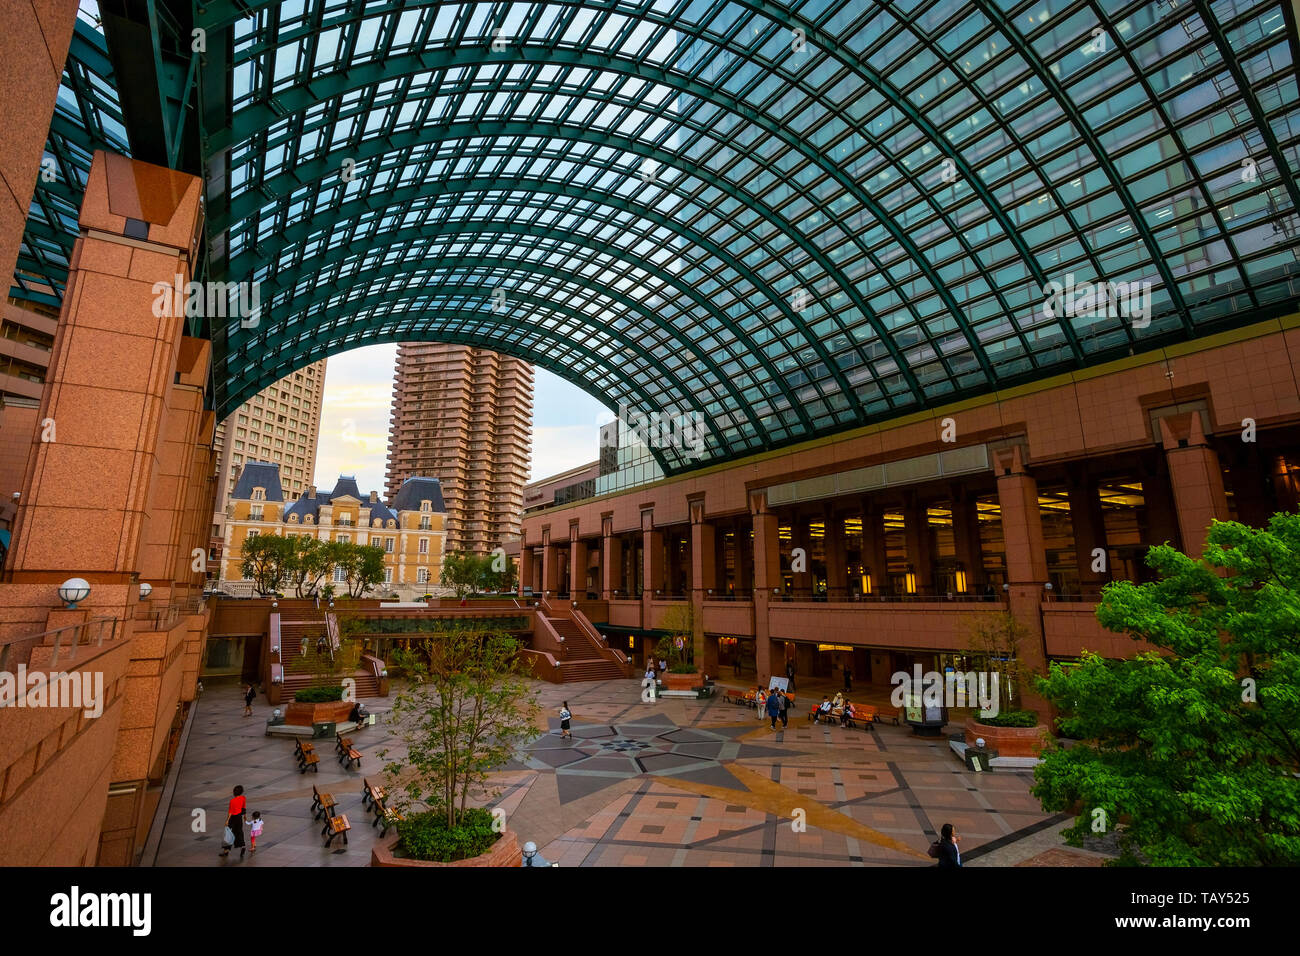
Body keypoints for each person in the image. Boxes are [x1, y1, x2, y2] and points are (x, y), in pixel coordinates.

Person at [220, 785, 248, 860]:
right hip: (239, 818)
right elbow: (244, 808)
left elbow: (230, 812)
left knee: (228, 833)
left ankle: (226, 850)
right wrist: (244, 816)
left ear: (234, 792)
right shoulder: (243, 798)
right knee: (239, 832)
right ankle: (243, 846)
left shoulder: (232, 801)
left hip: (233, 818)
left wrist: (227, 820)